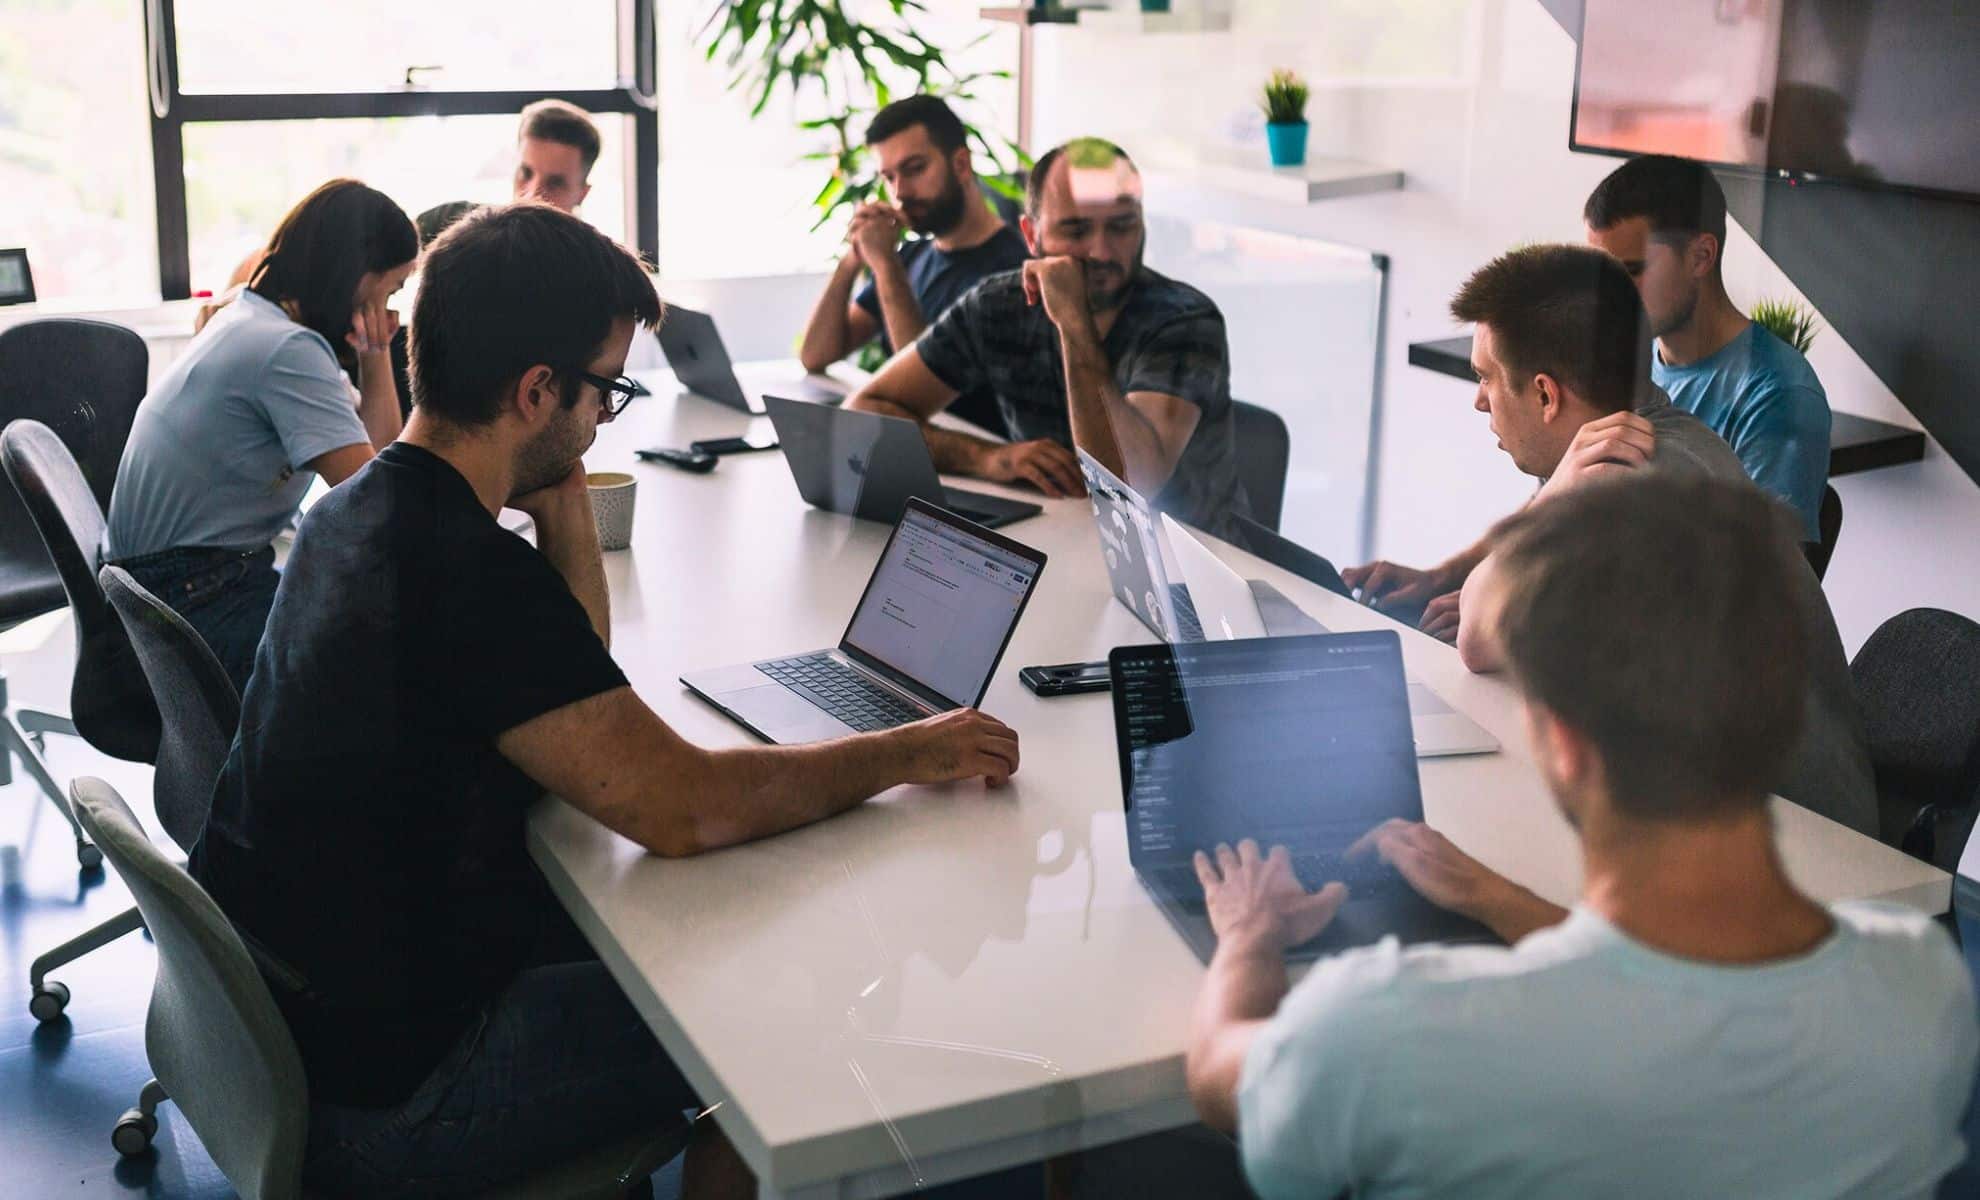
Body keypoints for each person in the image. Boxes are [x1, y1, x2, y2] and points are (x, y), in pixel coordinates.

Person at [187, 202, 1020, 1198]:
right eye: (606, 391)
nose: (604, 417)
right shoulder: (468, 572)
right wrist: (904, 752)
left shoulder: (357, 510)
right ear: (539, 389)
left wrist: (564, 493)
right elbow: (681, 808)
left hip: (292, 1027)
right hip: (397, 1098)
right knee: (770, 1028)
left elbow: (564, 676)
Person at [1186, 472, 1978, 1200]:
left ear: (1561, 741)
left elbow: (1220, 1077)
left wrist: (1250, 937)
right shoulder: (1923, 990)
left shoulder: (1391, 1033)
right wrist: (1499, 898)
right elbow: (1680, 1017)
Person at [1361, 246, 1874, 834]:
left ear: (1547, 395)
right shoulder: (1675, 436)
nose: (1479, 399)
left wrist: (1551, 503)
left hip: (1805, 858)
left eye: (1486, 378)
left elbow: (1476, 642)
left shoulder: (1625, 489)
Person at [846, 137, 1248, 538]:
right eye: (1076, 230)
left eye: (1122, 226)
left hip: (1185, 570)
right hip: (1058, 539)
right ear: (1031, 235)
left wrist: (1073, 323)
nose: (1103, 251)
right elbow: (865, 411)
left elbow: (1127, 486)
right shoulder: (998, 303)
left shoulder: (1184, 321)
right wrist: (988, 458)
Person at [105, 179, 416, 691]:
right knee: (387, 662)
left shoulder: (256, 317)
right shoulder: (286, 351)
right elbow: (375, 502)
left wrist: (374, 353)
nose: (390, 306)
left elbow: (375, 466)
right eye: (391, 288)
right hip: (187, 595)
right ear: (357, 277)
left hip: (160, 585)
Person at [192, 98, 601, 334]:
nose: (530, 193)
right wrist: (243, 292)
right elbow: (338, 243)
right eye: (525, 173)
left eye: (554, 183)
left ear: (582, 192)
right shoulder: (468, 224)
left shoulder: (588, 279)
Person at [1585, 153, 1832, 541]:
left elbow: (1767, 580)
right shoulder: (1627, 360)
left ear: (1701, 256)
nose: (1609, 295)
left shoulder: (1778, 395)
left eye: (1630, 271)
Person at [797, 95, 1029, 435]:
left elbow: (917, 391)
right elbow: (815, 355)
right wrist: (853, 258)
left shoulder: (1011, 270)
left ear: (961, 165)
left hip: (974, 464)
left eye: (915, 169)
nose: (900, 191)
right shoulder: (913, 256)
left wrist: (886, 264)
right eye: (889, 177)